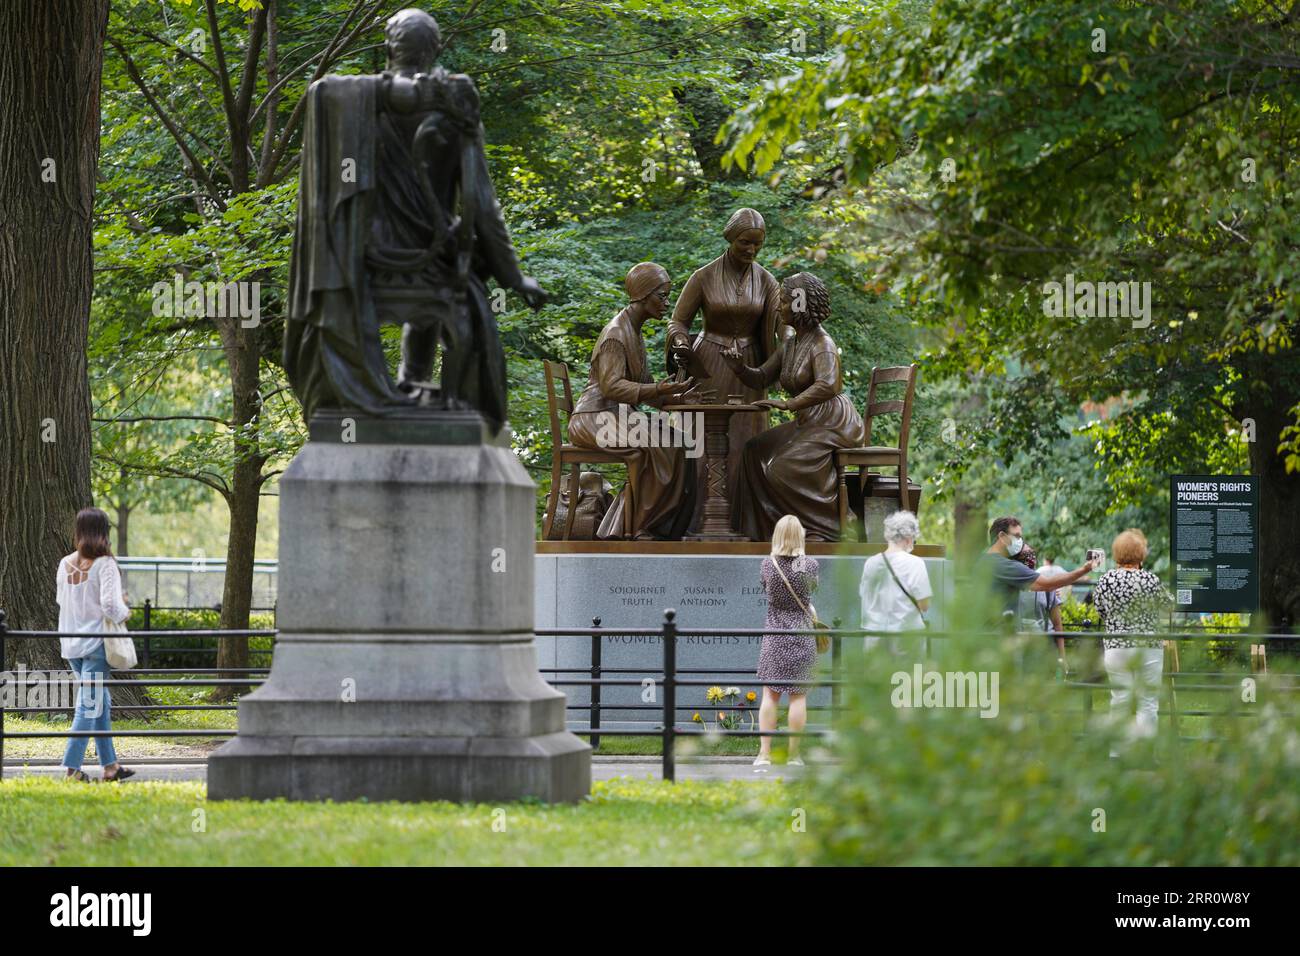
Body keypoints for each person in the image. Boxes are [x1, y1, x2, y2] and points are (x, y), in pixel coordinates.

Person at [722, 272, 865, 541]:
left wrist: (789, 404)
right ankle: (760, 533)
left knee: (780, 469)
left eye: (785, 302)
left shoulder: (823, 344)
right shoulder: (791, 344)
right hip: (807, 421)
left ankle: (826, 528)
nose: (779, 307)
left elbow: (829, 385)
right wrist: (739, 368)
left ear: (801, 305)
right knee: (753, 450)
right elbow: (763, 376)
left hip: (832, 423)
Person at [666, 207, 784, 527]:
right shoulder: (703, 276)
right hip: (708, 363)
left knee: (747, 441)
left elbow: (781, 327)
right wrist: (680, 342)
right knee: (702, 439)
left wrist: (787, 349)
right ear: (730, 238)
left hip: (750, 367)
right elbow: (678, 321)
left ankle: (744, 522)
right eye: (745, 242)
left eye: (758, 244)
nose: (751, 250)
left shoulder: (767, 281)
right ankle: (697, 520)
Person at [568, 263, 699, 539]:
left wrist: (681, 395)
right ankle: (640, 526)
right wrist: (657, 390)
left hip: (617, 417)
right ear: (642, 295)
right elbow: (612, 386)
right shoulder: (616, 334)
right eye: (661, 296)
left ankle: (665, 526)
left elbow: (648, 388)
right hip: (593, 418)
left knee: (684, 442)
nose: (666, 303)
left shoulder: (634, 332)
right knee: (658, 444)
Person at [56, 508, 135, 783]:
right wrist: (126, 612)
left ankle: (111, 767)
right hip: (96, 645)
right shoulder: (105, 564)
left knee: (99, 702)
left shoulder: (65, 563)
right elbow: (111, 606)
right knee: (89, 706)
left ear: (78, 531)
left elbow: (61, 601)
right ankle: (71, 769)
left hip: (71, 645)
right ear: (104, 532)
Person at [1092, 528, 1173, 755]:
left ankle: (1117, 753)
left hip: (1117, 646)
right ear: (1141, 553)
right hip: (1148, 646)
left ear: (1117, 553)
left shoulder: (1106, 579)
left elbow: (1100, 610)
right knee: (1148, 701)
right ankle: (1146, 752)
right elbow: (1168, 606)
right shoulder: (1150, 580)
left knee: (1120, 699)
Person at [753, 515, 819, 771]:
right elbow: (813, 588)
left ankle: (764, 753)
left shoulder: (768, 565)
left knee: (770, 695)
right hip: (802, 635)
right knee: (798, 697)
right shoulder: (809, 564)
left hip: (775, 635)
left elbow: (765, 589)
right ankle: (794, 755)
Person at [977, 516, 1096, 631]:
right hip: (999, 637)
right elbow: (1047, 584)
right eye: (1017, 536)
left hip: (983, 634)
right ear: (1002, 536)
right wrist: (1085, 569)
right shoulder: (1004, 565)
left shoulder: (982, 560)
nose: (1020, 541)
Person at [859, 510, 931, 654]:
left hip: (875, 635)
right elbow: (924, 605)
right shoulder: (916, 563)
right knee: (906, 676)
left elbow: (864, 596)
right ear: (909, 537)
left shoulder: (871, 563)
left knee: (876, 677)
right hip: (906, 636)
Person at [1010, 544, 1067, 671]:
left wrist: (1062, 657)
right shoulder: (1008, 586)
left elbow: (1058, 625)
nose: (1029, 558)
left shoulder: (1046, 585)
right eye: (1024, 555)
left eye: (1031, 554)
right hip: (1018, 651)